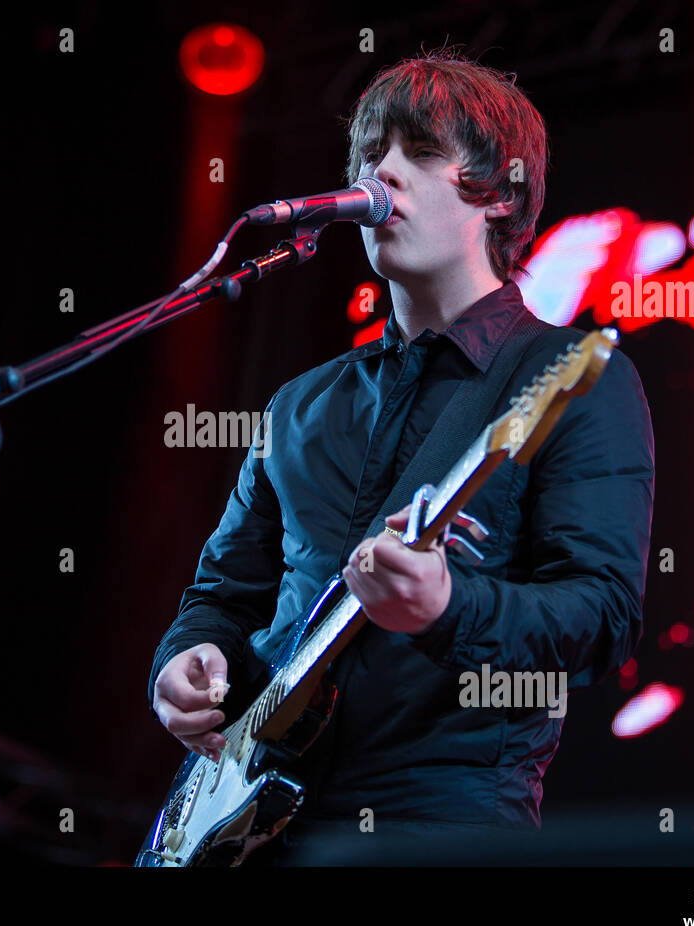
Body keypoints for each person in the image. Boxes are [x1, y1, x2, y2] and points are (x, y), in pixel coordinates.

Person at [146, 49, 655, 865]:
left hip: (437, 825)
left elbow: (602, 619)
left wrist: (447, 608)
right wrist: (182, 663)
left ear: (502, 194)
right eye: (371, 155)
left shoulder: (568, 380)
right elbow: (222, 594)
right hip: (249, 823)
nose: (383, 174)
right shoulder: (299, 405)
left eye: (420, 153)